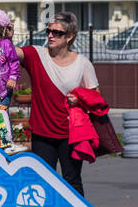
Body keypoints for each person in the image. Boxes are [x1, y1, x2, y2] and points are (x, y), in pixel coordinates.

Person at [16, 11, 99, 197]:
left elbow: (96, 97)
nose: (51, 35)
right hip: (42, 133)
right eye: (49, 31)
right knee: (42, 181)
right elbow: (12, 52)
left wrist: (80, 98)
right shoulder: (36, 54)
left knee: (72, 180)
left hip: (71, 133)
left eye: (57, 33)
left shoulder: (82, 64)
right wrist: (0, 33)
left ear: (69, 37)